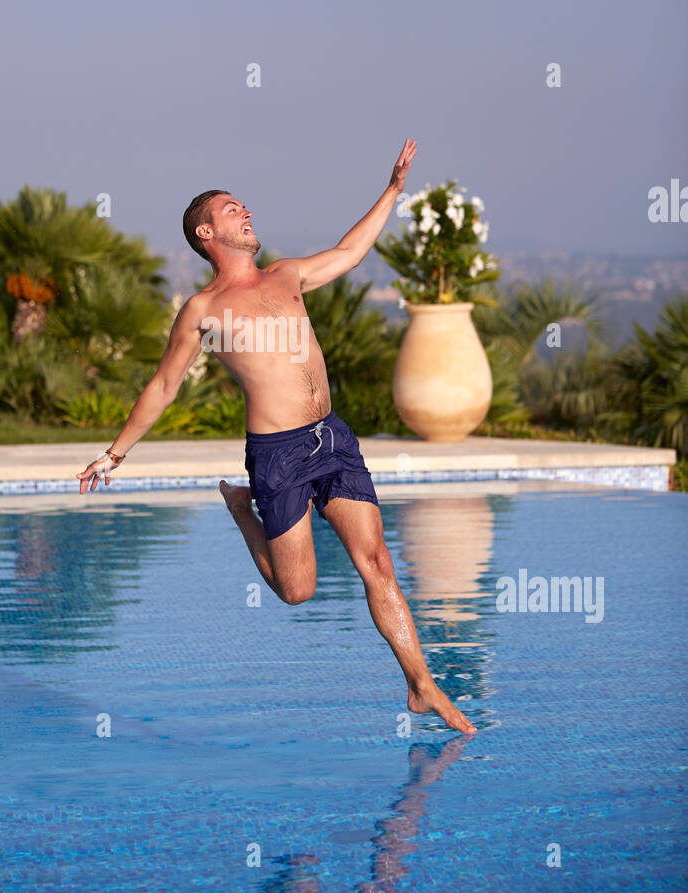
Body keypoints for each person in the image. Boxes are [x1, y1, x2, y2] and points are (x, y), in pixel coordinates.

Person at [77, 141, 475, 735]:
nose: (248, 213)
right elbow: (163, 386)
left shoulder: (285, 275)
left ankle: (420, 684)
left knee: (377, 563)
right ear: (206, 232)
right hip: (279, 455)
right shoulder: (203, 310)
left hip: (332, 439)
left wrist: (392, 189)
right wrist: (114, 453)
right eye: (234, 209)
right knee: (297, 592)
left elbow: (348, 251)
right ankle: (243, 510)